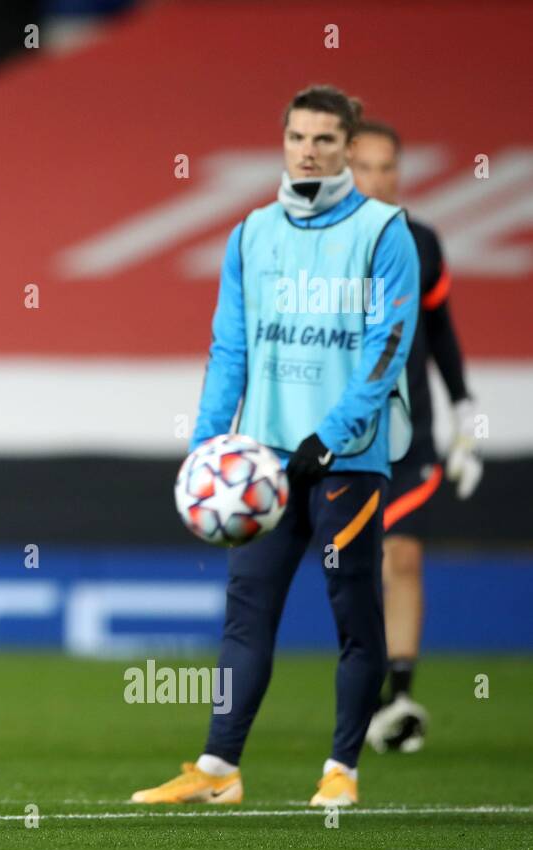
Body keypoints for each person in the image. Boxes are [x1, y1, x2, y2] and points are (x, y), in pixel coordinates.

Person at [133, 85, 418, 806]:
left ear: (350, 148)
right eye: (298, 137)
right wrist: (207, 446)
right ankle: (218, 769)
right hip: (263, 467)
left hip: (345, 460)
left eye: (325, 139)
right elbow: (229, 346)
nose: (309, 151)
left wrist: (333, 436)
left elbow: (388, 346)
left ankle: (341, 771)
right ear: (282, 142)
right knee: (247, 612)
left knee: (353, 609)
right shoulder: (251, 233)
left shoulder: (385, 232)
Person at [350, 120, 482, 754]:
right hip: (342, 436)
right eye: (365, 166)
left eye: (387, 167)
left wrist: (467, 412)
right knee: (350, 566)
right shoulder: (323, 245)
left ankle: (398, 693)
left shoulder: (422, 241)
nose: (378, 178)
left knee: (401, 557)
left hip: (410, 435)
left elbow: (442, 332)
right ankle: (364, 689)